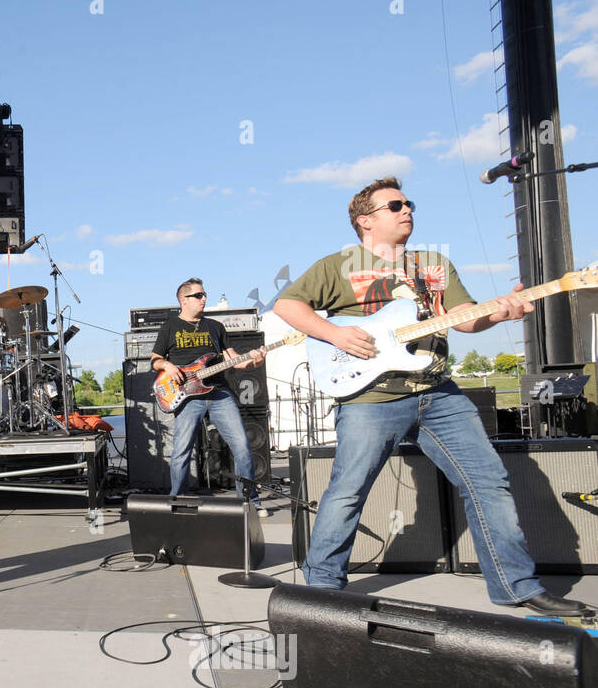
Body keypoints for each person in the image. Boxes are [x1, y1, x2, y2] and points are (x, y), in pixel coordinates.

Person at [273, 175, 587, 614]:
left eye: (409, 204)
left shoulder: (432, 263)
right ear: (366, 221)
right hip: (371, 397)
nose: (407, 211)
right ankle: (322, 590)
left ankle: (518, 586)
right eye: (396, 205)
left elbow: (463, 318)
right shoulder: (337, 265)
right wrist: (337, 335)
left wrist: (497, 314)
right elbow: (287, 305)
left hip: (439, 392)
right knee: (348, 490)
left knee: (488, 483)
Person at [150, 278, 267, 514]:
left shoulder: (215, 327)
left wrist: (253, 360)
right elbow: (155, 360)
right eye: (198, 295)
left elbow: (233, 359)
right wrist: (168, 366)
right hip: (188, 394)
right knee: (182, 450)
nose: (204, 299)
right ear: (183, 300)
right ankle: (178, 500)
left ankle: (249, 502)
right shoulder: (170, 327)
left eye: (204, 295)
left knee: (242, 446)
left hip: (219, 392)